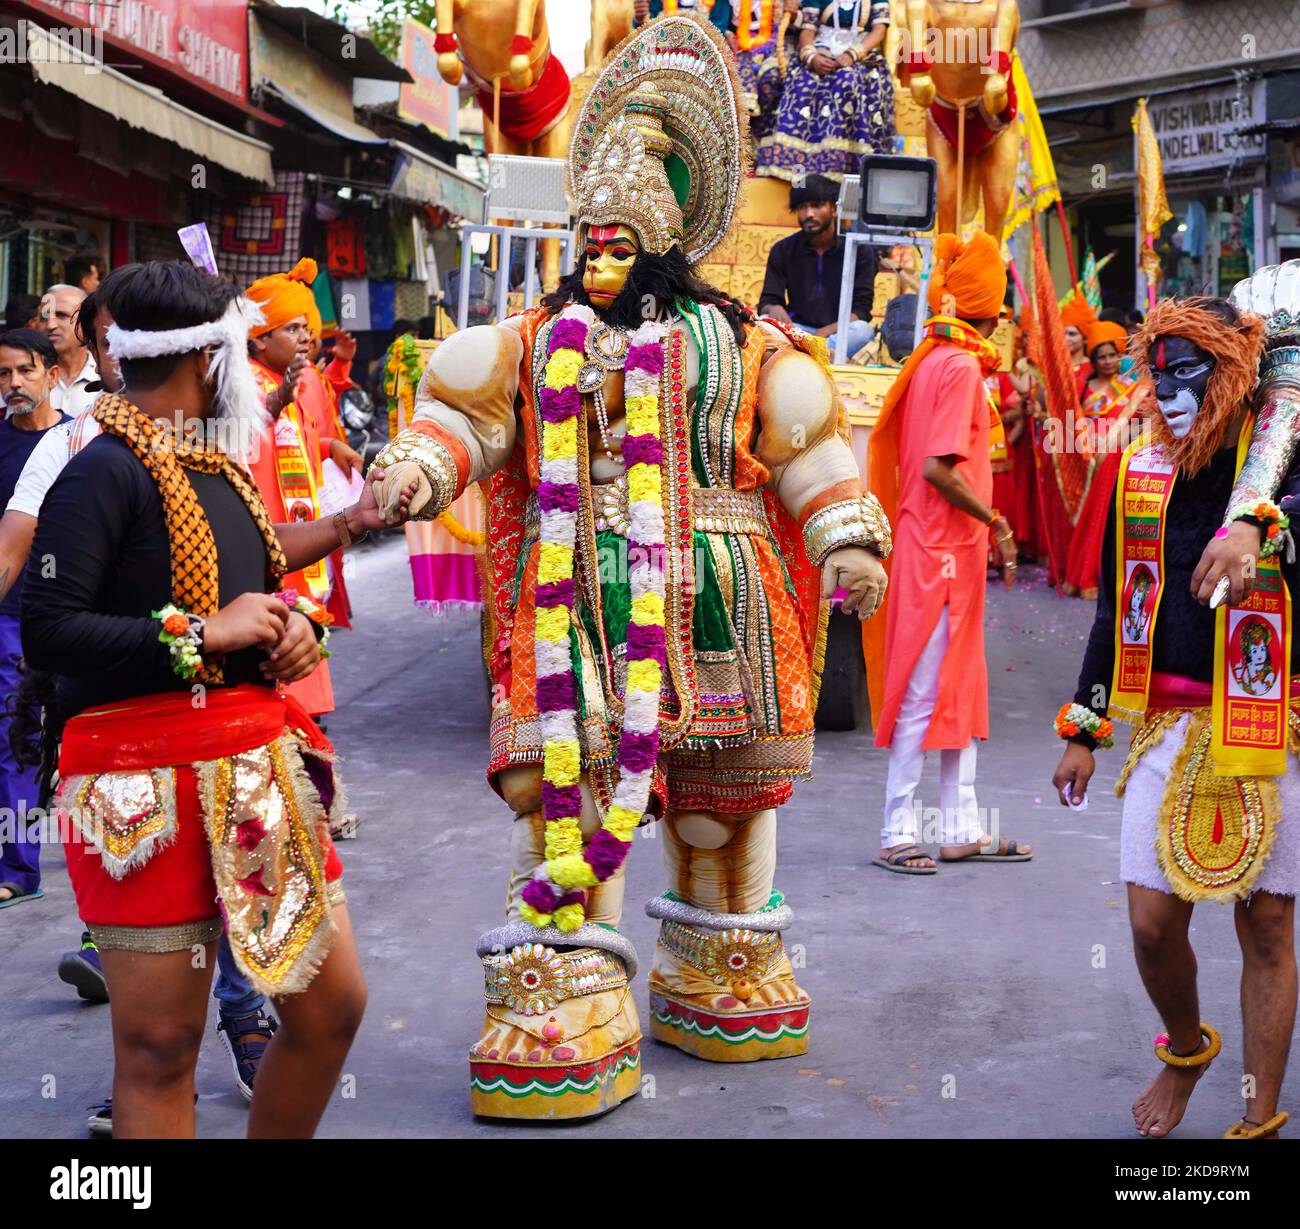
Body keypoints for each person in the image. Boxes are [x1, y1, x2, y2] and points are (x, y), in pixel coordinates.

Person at [370, 16, 891, 1120]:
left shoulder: (741, 345)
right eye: (589, 242)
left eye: (622, 246)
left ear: (663, 247)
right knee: (564, 788)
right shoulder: (535, 337)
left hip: (723, 593)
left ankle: (720, 961)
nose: (601, 261)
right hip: (575, 589)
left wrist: (844, 536)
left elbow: (808, 448)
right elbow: (466, 411)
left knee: (724, 802)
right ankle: (566, 984)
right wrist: (420, 467)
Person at [22, 260, 411, 1139]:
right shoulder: (101, 471)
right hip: (140, 786)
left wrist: (290, 624)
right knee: (161, 1049)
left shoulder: (216, 468)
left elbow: (254, 583)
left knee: (330, 1007)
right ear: (212, 357)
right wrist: (204, 633)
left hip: (255, 770)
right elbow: (49, 630)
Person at [1052, 295, 1297, 1140]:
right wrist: (1086, 728)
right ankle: (1187, 1048)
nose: (1166, 384)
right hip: (1166, 718)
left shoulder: (1282, 456)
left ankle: (1258, 1112)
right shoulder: (1143, 466)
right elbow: (1114, 602)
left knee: (1266, 923)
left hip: (1272, 717)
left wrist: (1262, 527)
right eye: (1157, 367)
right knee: (1153, 925)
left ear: (1233, 371)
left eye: (1187, 365)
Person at [863, 231, 1031, 874]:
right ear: (993, 310)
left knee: (957, 686)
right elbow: (938, 468)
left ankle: (960, 827)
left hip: (946, 548)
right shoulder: (960, 368)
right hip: (938, 550)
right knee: (924, 691)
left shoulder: (938, 357)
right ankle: (895, 831)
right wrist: (997, 523)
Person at [243, 258, 344, 719]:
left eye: (307, 327)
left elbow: (301, 445)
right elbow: (242, 431)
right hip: (264, 541)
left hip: (296, 539)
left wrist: (328, 447)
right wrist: (274, 401)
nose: (306, 337)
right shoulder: (242, 384)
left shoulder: (294, 382)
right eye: (292, 328)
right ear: (258, 338)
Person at [0, 329, 68, 908]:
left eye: (24, 370)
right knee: (12, 735)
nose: (14, 384)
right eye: (3, 374)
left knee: (61, 738)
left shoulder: (80, 442)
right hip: (6, 611)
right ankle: (20, 868)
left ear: (50, 372)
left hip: (64, 614)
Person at [756, 0, 894, 182]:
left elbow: (879, 31)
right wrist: (811, 57)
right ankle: (798, 169)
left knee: (847, 81)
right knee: (803, 82)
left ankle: (843, 169)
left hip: (861, 56)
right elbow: (808, 30)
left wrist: (852, 54)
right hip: (821, 52)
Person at [1060, 320, 1149, 598]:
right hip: (1094, 458)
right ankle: (1089, 575)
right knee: (1096, 517)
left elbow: (1138, 424)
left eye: (1113, 355)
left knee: (1116, 517)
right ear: (1094, 359)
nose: (1108, 361)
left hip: (1122, 456)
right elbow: (1073, 423)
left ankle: (1115, 577)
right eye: (1102, 356)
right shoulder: (1085, 387)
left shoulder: (1133, 389)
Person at [758, 173, 876, 358]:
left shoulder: (859, 251)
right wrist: (774, 308)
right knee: (764, 322)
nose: (809, 214)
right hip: (798, 331)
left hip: (835, 334)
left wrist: (822, 333)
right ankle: (819, 354)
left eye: (816, 206)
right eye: (802, 207)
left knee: (863, 330)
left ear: (834, 209)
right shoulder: (783, 250)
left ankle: (807, 354)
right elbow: (768, 300)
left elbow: (861, 310)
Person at [37, 284, 98, 416]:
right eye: (44, 317)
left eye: (61, 315)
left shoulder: (108, 376)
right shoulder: (22, 377)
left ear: (86, 321)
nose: (50, 325)